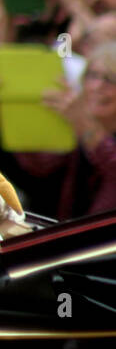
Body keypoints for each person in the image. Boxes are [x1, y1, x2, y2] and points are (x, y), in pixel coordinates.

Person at [16, 42, 116, 219]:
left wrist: (85, 126)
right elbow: (41, 167)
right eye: (92, 75)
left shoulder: (82, 126)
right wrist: (18, 109)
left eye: (110, 79)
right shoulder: (76, 126)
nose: (97, 86)